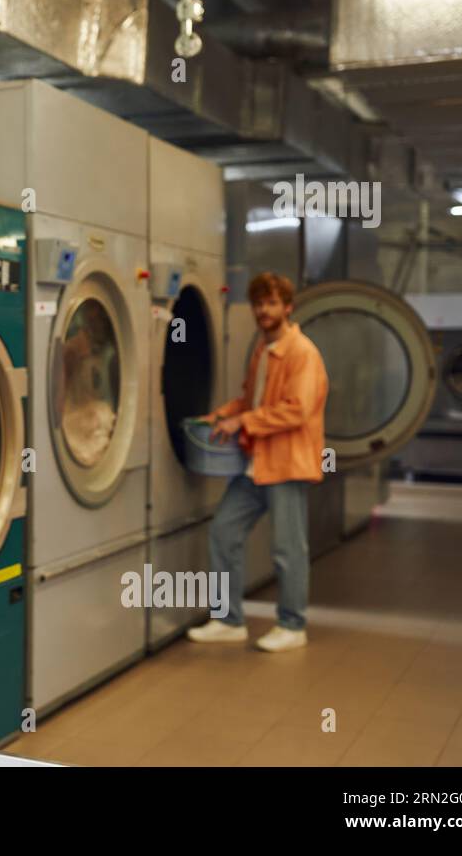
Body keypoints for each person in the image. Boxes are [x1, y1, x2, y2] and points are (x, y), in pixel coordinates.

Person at [187, 271, 328, 652]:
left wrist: (242, 421)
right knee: (223, 533)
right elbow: (251, 401)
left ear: (287, 307)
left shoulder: (302, 354)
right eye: (258, 304)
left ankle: (292, 625)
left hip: (286, 464)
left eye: (271, 304)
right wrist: (220, 416)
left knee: (287, 548)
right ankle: (229, 619)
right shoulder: (263, 351)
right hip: (257, 462)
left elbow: (295, 410)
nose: (263, 311)